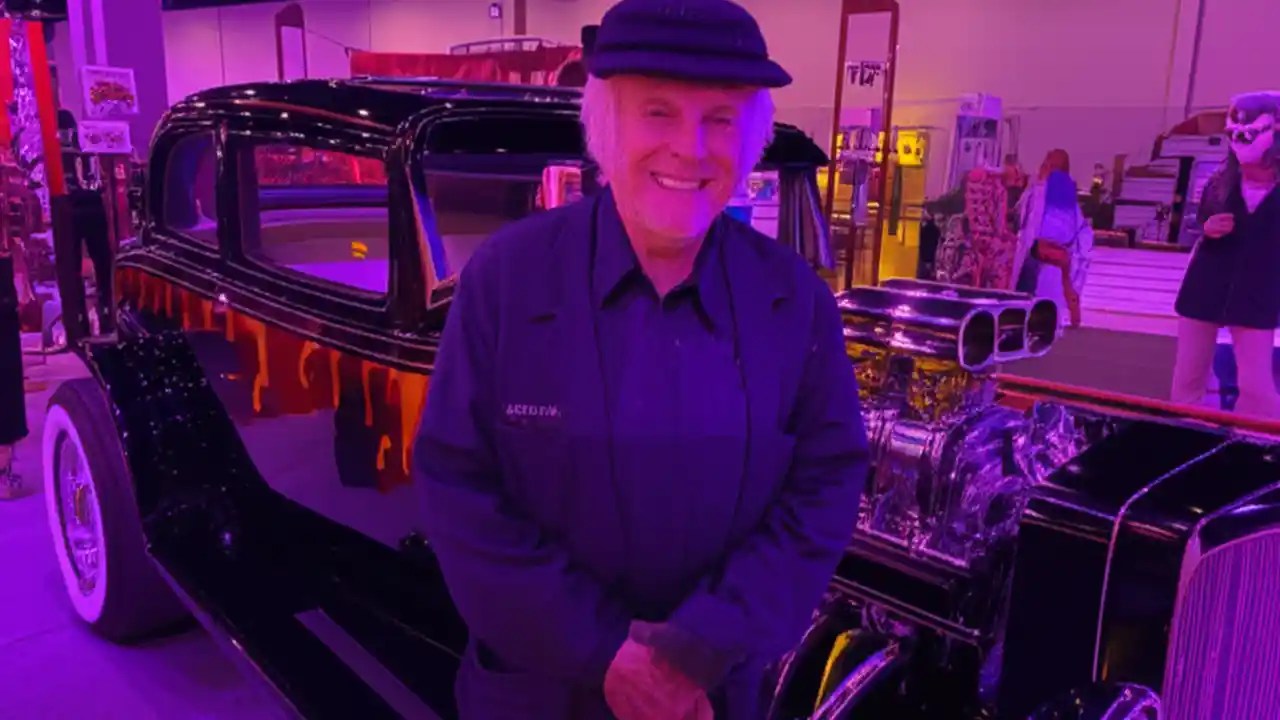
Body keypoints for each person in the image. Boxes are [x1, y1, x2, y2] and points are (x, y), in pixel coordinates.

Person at [412, 0, 871, 717]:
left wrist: (698, 649)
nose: (690, 148)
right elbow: (457, 486)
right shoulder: (507, 280)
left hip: (710, 697)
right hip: (538, 693)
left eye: (719, 119)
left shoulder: (794, 301)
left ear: (749, 141)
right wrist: (604, 653)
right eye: (657, 112)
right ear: (605, 128)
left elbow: (825, 483)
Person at [1171, 91, 1280, 417]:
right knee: (1188, 382)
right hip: (1204, 288)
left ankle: (1258, 449)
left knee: (1257, 387)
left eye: (1249, 133)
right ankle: (1191, 436)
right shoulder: (1219, 182)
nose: (1240, 140)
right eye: (1234, 133)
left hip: (1256, 295)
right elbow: (1195, 225)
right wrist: (1206, 227)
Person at [1011, 170, 1093, 327]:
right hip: (1057, 254)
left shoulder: (1038, 199)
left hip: (1041, 250)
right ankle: (1071, 319)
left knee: (1034, 283)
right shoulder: (1072, 211)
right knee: (1064, 285)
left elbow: (1025, 222)